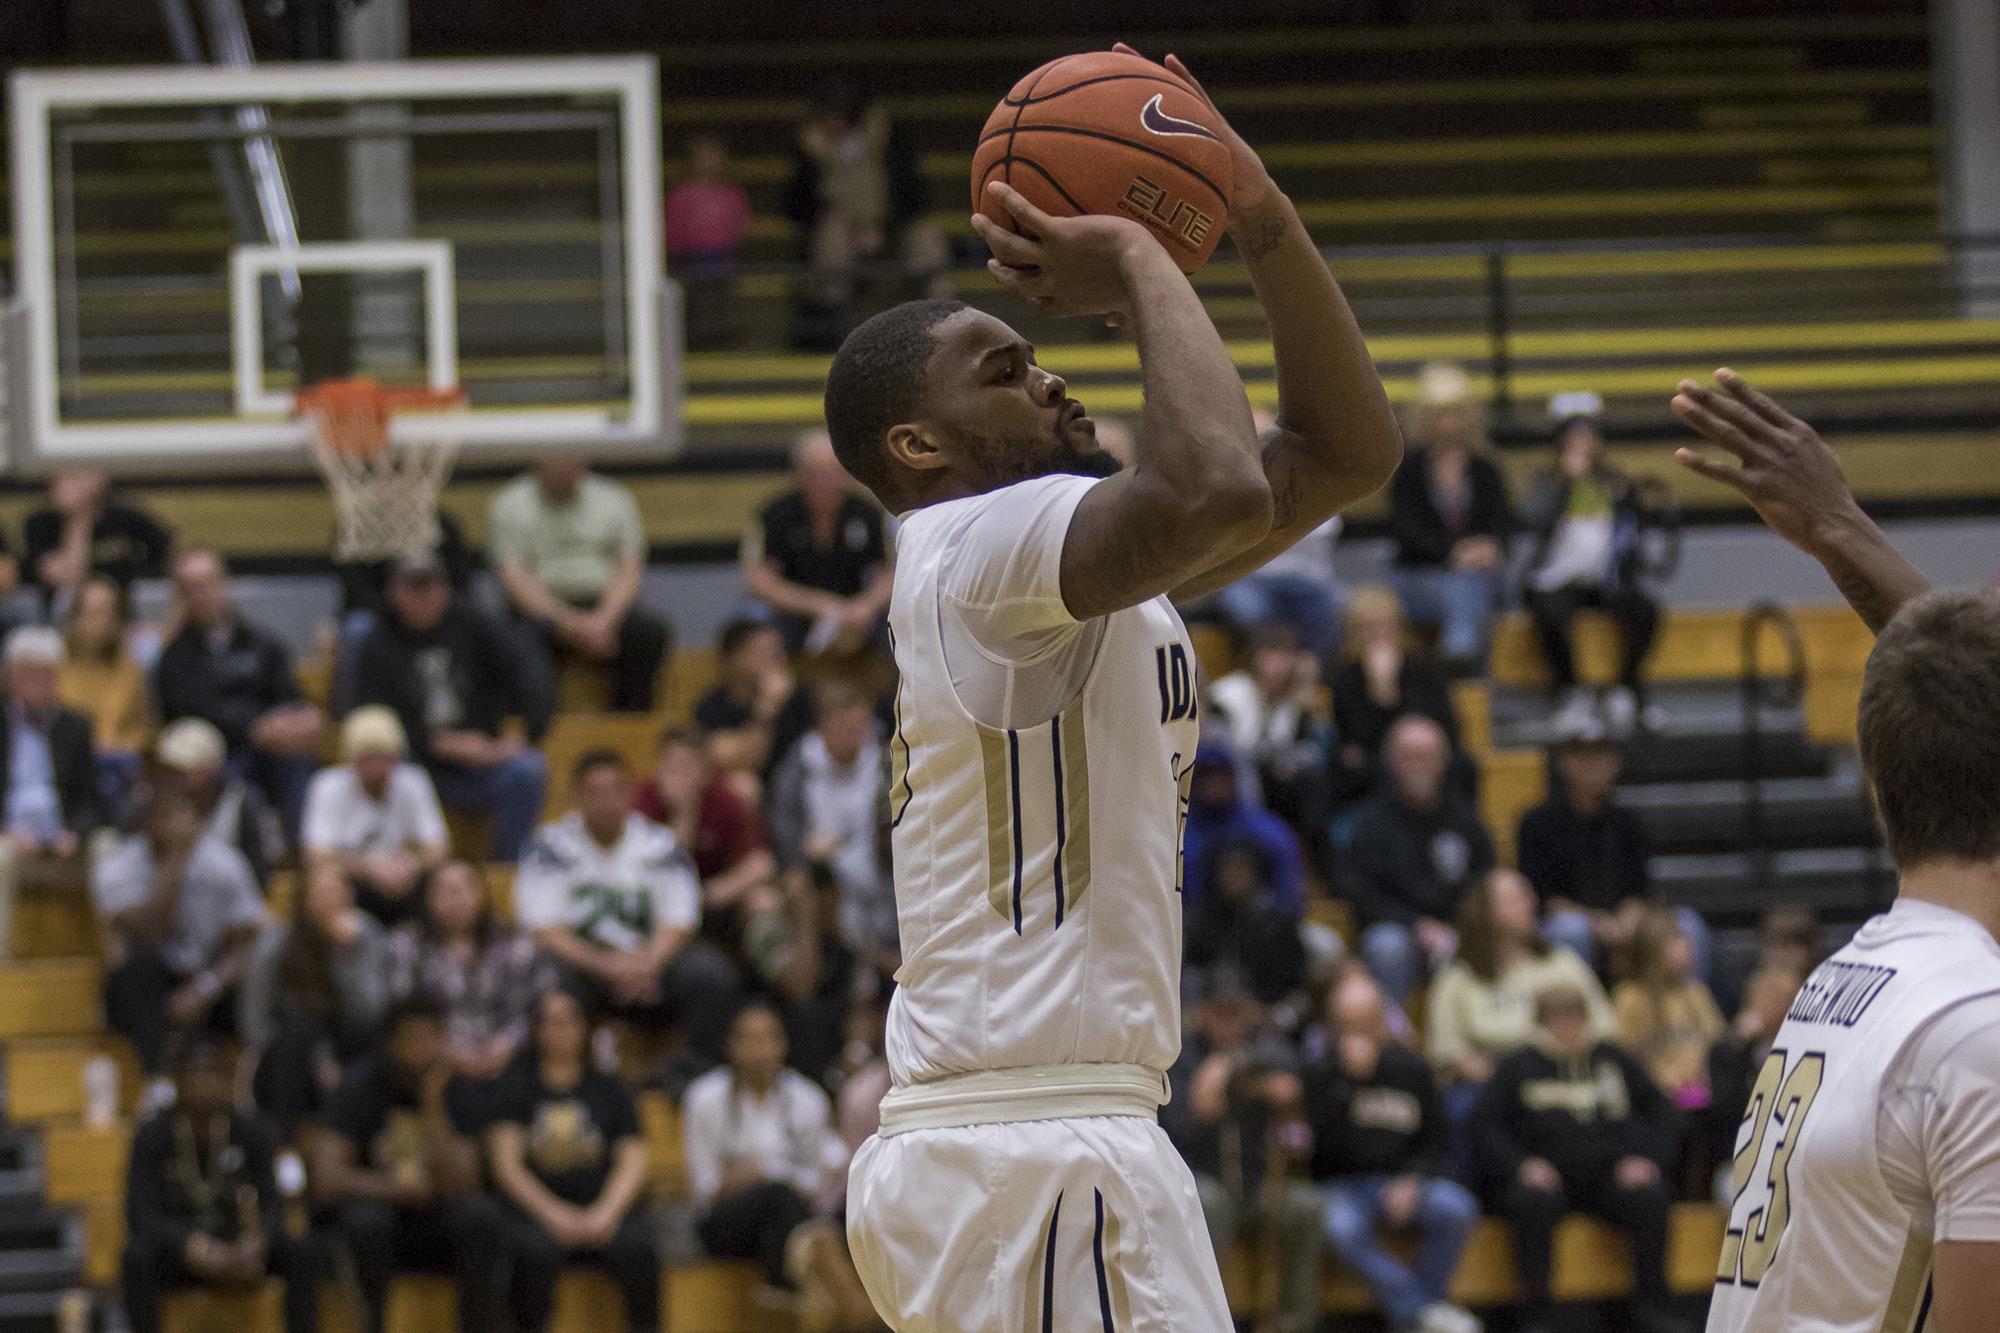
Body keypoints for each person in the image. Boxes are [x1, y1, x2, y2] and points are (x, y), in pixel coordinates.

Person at [834, 48, 1404, 1329]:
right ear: (916, 446)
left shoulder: (1060, 570)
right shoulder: (969, 552)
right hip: (1028, 1146)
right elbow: (1216, 484)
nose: (1046, 372)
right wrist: (1146, 256)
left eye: (1032, 352)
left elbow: (1343, 452)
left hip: (1044, 1139)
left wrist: (1253, 210)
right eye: (999, 372)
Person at [1672, 369, 2000, 1333]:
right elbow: (1966, 703)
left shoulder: (1849, 979)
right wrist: (1842, 533)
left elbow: (1961, 705)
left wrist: (1843, 533)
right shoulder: (1970, 1021)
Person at [1471, 986, 1688, 1333]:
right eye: (1559, 1020)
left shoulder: (1612, 1059)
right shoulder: (1518, 1066)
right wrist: (1521, 1166)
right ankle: (1535, 1315)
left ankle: (1649, 1306)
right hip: (1547, 1177)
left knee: (1651, 1197)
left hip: (1609, 1176)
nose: (1569, 1027)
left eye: (1576, 1018)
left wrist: (1646, 1159)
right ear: (1541, 1023)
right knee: (1529, 1204)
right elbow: (1485, 1126)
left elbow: (1663, 1111)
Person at [514, 750, 738, 1062]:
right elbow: (545, 929)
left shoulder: (661, 844)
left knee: (711, 974)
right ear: (576, 794)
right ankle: (563, 1079)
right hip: (584, 969)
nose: (606, 802)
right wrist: (606, 966)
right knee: (544, 976)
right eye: (595, 792)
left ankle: (688, 1071)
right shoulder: (550, 847)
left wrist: (648, 963)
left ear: (629, 792)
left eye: (614, 791)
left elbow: (679, 920)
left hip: (652, 964)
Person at [311, 994, 506, 1333]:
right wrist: (393, 1189)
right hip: (382, 1218)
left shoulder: (455, 1087)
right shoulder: (360, 1085)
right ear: (392, 1043)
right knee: (365, 1221)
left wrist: (433, 1103)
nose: (424, 1050)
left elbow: (466, 1179)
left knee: (482, 1217)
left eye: (433, 1039)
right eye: (413, 1040)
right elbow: (326, 1178)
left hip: (436, 1220)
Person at [1305, 969, 1481, 1333]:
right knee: (1339, 1227)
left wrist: (1413, 1180)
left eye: (1366, 1022)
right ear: (1334, 1026)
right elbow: (1319, 1151)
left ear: (1382, 1020)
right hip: (1342, 1185)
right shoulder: (1320, 1072)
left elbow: (1436, 1141)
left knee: (1457, 1209)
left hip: (1402, 1181)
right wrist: (1349, 1081)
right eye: (1348, 1024)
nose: (1359, 1033)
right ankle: (1422, 1312)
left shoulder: (1412, 1070)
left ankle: (1415, 1314)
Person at [349, 554, 549, 862]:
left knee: (526, 770)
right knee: (394, 774)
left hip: (481, 761)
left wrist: (522, 737)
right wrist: (437, 743)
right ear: (393, 593)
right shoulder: (377, 642)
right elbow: (370, 717)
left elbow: (530, 676)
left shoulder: (476, 626)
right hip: (414, 762)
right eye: (414, 587)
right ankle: (409, 868)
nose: (425, 596)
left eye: (433, 585)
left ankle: (506, 871)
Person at [122, 1032, 320, 1333]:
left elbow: (273, 1201)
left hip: (238, 1248)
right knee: (136, 1257)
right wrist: (192, 1247)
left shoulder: (251, 1131)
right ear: (178, 1080)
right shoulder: (153, 1136)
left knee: (300, 1249)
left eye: (214, 1072)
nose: (206, 1083)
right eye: (197, 1073)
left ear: (227, 1080)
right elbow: (141, 1214)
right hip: (181, 1251)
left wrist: (257, 1240)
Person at [682, 1003, 867, 1323]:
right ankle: (860, 1314)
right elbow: (704, 1188)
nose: (759, 1050)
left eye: (767, 1039)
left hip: (788, 1217)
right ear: (731, 1046)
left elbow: (822, 1180)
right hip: (725, 1224)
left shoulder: (808, 1099)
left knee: (793, 1203)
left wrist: (761, 1171)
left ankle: (788, 1284)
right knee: (779, 1198)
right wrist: (753, 1181)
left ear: (783, 1045)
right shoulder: (704, 1099)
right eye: (748, 1040)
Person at [489, 987, 657, 1333]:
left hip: (601, 1208)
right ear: (536, 1030)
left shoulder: (610, 1089)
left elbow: (633, 1159)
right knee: (530, 1251)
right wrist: (554, 1216)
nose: (559, 1031)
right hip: (537, 1213)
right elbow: (506, 1165)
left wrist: (604, 1214)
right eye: (550, 1023)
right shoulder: (514, 1086)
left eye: (568, 1021)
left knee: (639, 1245)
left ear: (584, 1028)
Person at [1161, 981, 1320, 1333]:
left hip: (1257, 1183)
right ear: (1202, 1014)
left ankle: (1295, 1320)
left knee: (1306, 1207)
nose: (1229, 1024)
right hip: (1202, 1176)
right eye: (1221, 1014)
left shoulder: (1263, 1052)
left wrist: (1241, 1068)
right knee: (1207, 1204)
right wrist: (1208, 1090)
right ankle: (1198, 1320)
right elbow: (1179, 1128)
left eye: (1236, 1014)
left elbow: (1291, 1079)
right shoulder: (1180, 1057)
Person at [93, 786, 264, 1074]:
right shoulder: (120, 865)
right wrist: (176, 863)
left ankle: (244, 1077)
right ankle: (157, 1079)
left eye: (181, 814)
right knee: (138, 970)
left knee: (258, 971)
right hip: (149, 986)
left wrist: (206, 988)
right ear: (146, 822)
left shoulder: (224, 864)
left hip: (209, 978)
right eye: (162, 816)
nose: (172, 824)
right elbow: (148, 932)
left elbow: (248, 942)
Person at [1520, 392, 1661, 736]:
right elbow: (1534, 523)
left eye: (1588, 436)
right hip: (1556, 580)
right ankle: (1570, 694)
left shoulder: (1614, 482)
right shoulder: (1546, 481)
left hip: (1604, 581)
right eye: (1574, 436)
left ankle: (1626, 689)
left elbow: (1631, 531)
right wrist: (1566, 485)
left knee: (1645, 611)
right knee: (1551, 616)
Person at [1426, 870, 1613, 1128]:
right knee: (1465, 1106)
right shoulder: (1458, 976)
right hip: (1493, 1086)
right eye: (1514, 899)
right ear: (1484, 911)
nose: (1529, 903)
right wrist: (1513, 1080)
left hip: (1565, 1074)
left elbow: (1603, 1027)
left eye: (1527, 895)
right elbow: (1449, 1057)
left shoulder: (1561, 963)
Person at [1520, 733, 1712, 984]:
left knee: (1688, 924)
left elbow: (1639, 891)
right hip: (1566, 924)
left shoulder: (1628, 823)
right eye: (1583, 756)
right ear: (1564, 761)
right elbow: (1543, 900)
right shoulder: (1538, 822)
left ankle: (1695, 1012)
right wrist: (1595, 923)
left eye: (1601, 755)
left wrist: (1626, 920)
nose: (1593, 765)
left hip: (1621, 921)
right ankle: (1581, 1017)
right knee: (1571, 930)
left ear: (1616, 762)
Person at [151, 550, 323, 825]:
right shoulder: (175, 657)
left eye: (208, 583)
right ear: (181, 597)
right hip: (213, 751)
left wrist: (299, 721)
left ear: (225, 584)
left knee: (299, 760)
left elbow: (287, 695)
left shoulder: (263, 643)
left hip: (272, 747)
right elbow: (192, 708)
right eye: (192, 588)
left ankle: (299, 848)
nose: (203, 594)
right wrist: (254, 728)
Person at [489, 456, 670, 713]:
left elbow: (629, 569)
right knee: (515, 643)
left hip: (604, 607)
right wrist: (568, 623)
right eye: (556, 462)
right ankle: (534, 726)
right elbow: (515, 577)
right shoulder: (510, 503)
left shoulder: (613, 498)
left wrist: (605, 620)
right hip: (539, 611)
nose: (564, 469)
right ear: (537, 464)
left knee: (648, 634)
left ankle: (631, 725)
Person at [1343, 714, 1496, 1005]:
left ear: (1443, 762)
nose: (1420, 766)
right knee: (1385, 945)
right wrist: (1417, 925)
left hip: (1461, 929)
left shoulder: (1466, 820)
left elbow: (1482, 880)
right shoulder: (1369, 826)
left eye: (1428, 756)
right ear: (1392, 763)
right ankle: (1391, 1036)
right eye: (1410, 757)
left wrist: (1461, 928)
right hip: (1402, 933)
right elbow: (1362, 895)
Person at [783, 79, 949, 342]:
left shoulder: (888, 141)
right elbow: (795, 207)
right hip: (839, 233)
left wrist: (882, 226)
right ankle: (831, 323)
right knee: (833, 235)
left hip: (891, 228)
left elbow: (915, 197)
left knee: (926, 238)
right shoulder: (810, 149)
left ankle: (946, 323)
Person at [240, 863, 390, 1136]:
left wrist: (344, 956)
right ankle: (283, 1147)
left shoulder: (367, 936)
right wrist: (318, 1058)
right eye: (321, 893)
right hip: (290, 1056)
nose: (330, 901)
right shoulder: (275, 946)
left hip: (351, 1048)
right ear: (303, 899)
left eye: (337, 891)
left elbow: (370, 1013)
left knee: (379, 1051)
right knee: (297, 1035)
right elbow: (255, 1022)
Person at [383, 859, 554, 1094]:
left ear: (482, 893)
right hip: (434, 1062)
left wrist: (506, 1046)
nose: (457, 897)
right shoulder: (406, 946)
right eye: (445, 890)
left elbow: (537, 1007)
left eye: (466, 887)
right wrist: (452, 1052)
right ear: (426, 898)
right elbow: (403, 1013)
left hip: (511, 1057)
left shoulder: (516, 943)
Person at [1386, 363, 1511, 673]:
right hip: (1420, 575)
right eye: (1441, 415)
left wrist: (1489, 548)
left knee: (1470, 586)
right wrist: (1452, 554)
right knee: (1465, 590)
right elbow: (1405, 529)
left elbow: (1503, 522)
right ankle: (1466, 668)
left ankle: (1461, 664)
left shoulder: (1485, 469)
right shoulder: (1409, 470)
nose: (1448, 424)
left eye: (1456, 414)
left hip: (1477, 573)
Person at [767, 683, 897, 970]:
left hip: (880, 874)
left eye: (860, 726)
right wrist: (802, 845)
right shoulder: (799, 764)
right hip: (824, 878)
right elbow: (784, 830)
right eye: (844, 727)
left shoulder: (886, 763)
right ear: (823, 725)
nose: (854, 736)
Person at [0, 626, 105, 958]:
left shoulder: (76, 726)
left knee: (111, 853)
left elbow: (92, 799)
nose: (45, 682)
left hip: (63, 836)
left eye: (50, 673)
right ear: (12, 676)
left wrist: (75, 832)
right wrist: (8, 832)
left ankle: (112, 967)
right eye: (34, 673)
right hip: (9, 837)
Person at [742, 430, 894, 656]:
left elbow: (888, 575)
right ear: (799, 475)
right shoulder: (775, 515)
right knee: (754, 625)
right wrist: (820, 606)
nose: (824, 482)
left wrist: (864, 607)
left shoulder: (867, 514)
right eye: (815, 473)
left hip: (855, 609)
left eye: (832, 472)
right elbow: (760, 580)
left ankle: (895, 691)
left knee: (899, 626)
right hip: (794, 610)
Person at [633, 726, 777, 953]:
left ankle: (779, 983)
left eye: (687, 768)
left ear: (705, 772)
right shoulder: (643, 801)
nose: (677, 776)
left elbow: (761, 863)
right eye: (671, 766)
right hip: (657, 903)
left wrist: (719, 891)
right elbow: (664, 871)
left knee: (764, 900)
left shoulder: (723, 800)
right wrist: (682, 814)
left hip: (711, 898)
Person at [301, 706, 448, 926]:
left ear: (397, 757)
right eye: (366, 759)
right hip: (354, 883)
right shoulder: (327, 785)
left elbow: (439, 848)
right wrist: (370, 868)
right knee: (325, 881)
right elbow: (315, 856)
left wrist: (411, 865)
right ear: (349, 759)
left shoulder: (413, 781)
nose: (375, 767)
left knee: (448, 879)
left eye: (382, 757)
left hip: (405, 882)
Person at [1206, 621, 1334, 867]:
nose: (1278, 667)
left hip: (1278, 790)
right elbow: (1222, 747)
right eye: (1271, 656)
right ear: (1255, 658)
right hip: (1232, 782)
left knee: (1310, 784)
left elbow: (1311, 751)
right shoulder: (1227, 695)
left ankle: (1312, 866)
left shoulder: (1294, 707)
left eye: (1285, 658)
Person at [1327, 583, 1464, 809]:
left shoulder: (1424, 670)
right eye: (1368, 628)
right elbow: (1354, 741)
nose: (1378, 635)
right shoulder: (1346, 679)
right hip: (1373, 771)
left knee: (1462, 766)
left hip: (1428, 758)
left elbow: (1443, 726)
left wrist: (1391, 693)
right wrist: (1381, 691)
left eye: (1384, 626)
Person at [153, 717, 284, 892]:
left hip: (232, 900)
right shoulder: (152, 802)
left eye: (187, 769)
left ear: (212, 768)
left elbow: (261, 867)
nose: (178, 778)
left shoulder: (243, 801)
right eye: (172, 769)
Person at [1180, 742, 1308, 918]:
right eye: (1206, 777)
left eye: (1220, 776)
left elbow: (1290, 897)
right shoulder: (1182, 835)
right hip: (1196, 933)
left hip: (1264, 930)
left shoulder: (1267, 831)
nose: (1214, 784)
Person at [58, 576, 152, 810]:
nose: (102, 620)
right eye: (93, 612)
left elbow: (145, 729)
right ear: (74, 616)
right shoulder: (55, 668)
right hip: (68, 768)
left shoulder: (130, 671)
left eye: (109, 612)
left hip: (118, 766)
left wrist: (125, 744)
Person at [23, 467, 173, 612]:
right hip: (68, 611)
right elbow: (67, 579)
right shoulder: (40, 523)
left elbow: (167, 546)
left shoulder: (124, 514)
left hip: (125, 604)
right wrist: (79, 519)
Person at [694, 618, 815, 793]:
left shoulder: (798, 698)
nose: (777, 661)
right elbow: (747, 761)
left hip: (796, 787)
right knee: (743, 784)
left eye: (778, 652)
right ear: (735, 659)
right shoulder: (713, 706)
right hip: (757, 793)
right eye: (765, 653)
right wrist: (767, 707)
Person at [1184, 839, 1308, 1008]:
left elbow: (1297, 989)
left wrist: (1267, 1014)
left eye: (1241, 867)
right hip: (1207, 1017)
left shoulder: (1278, 924)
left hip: (1264, 1019)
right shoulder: (1198, 923)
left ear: (1255, 872)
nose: (1234, 875)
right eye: (1227, 868)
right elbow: (1188, 977)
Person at [666, 134, 752, 350]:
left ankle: (720, 340)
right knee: (697, 303)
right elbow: (672, 229)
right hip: (690, 260)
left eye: (714, 156)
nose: (709, 162)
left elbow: (741, 226)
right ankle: (698, 342)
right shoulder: (681, 195)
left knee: (721, 302)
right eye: (704, 156)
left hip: (723, 258)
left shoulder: (732, 194)